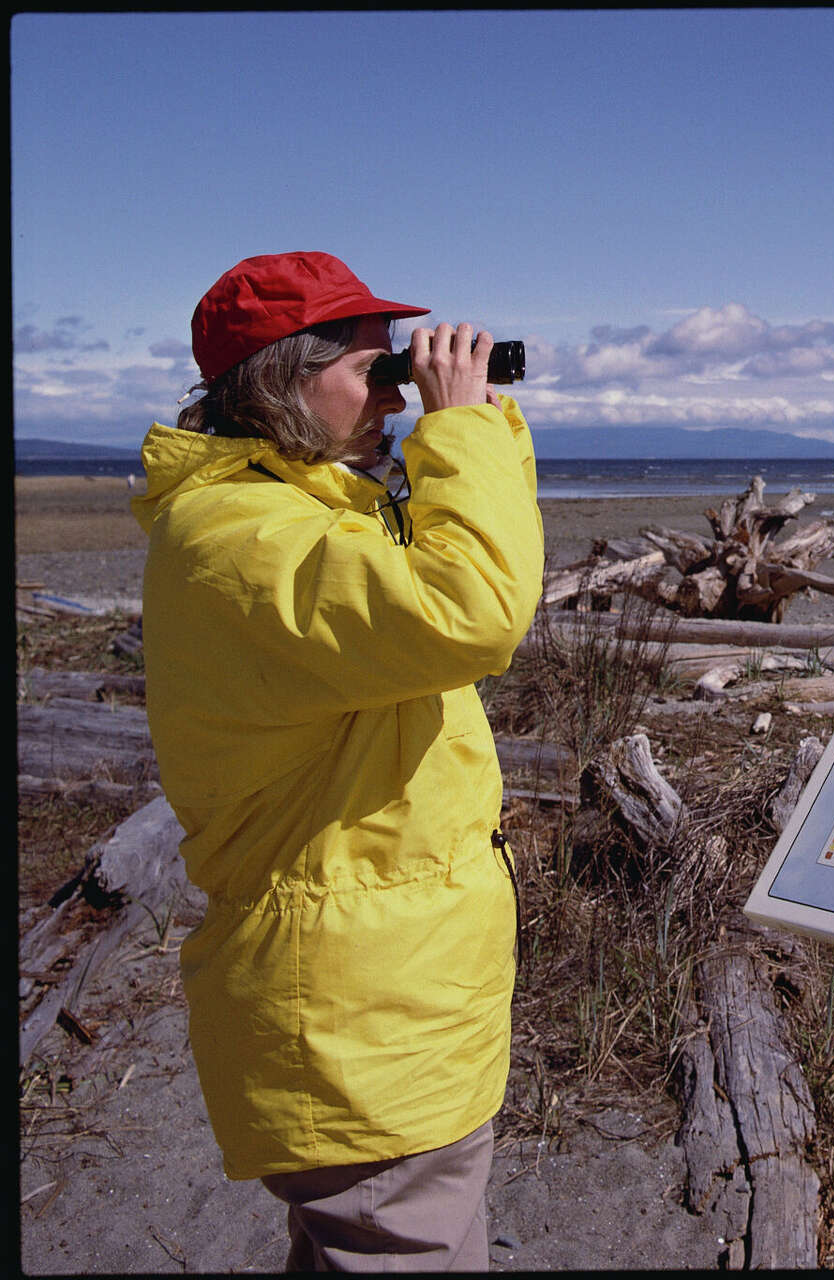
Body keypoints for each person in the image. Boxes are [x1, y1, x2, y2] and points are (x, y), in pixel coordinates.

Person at [130, 251, 544, 1270]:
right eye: (373, 368)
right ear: (278, 381)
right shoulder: (240, 539)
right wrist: (461, 429)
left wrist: (462, 427)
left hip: (384, 1004)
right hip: (361, 1027)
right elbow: (471, 611)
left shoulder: (298, 511)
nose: (396, 393)